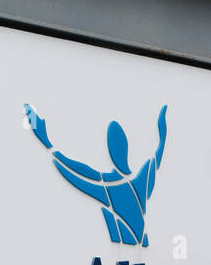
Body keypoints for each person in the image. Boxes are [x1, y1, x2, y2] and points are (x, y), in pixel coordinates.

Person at [24, 103, 168, 247]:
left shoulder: (110, 184)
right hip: (134, 245)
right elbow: (72, 169)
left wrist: (47, 143)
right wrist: (162, 132)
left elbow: (71, 171)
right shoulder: (132, 180)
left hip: (131, 246)